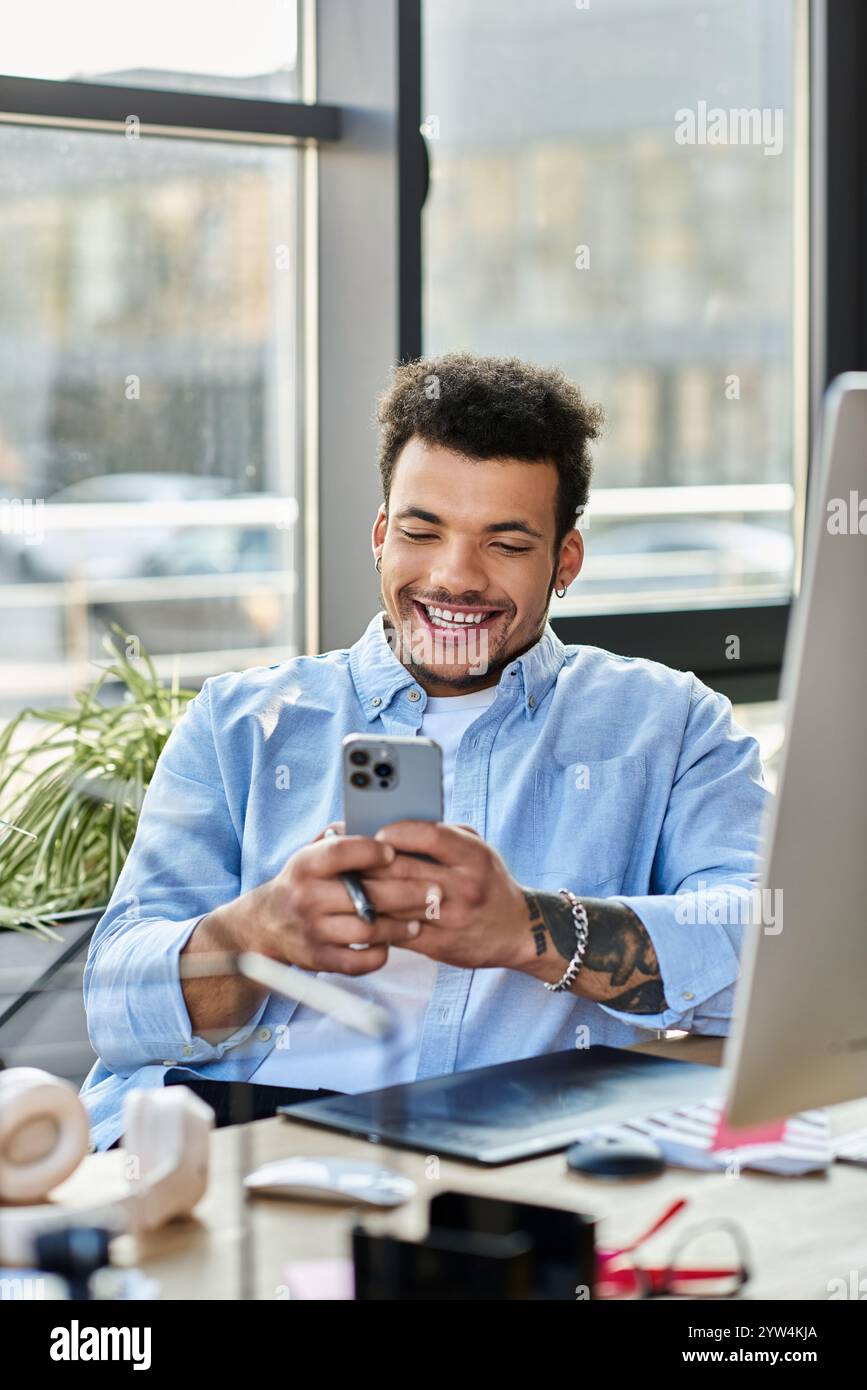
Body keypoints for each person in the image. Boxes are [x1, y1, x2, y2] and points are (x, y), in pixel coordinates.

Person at [80, 352, 772, 1151]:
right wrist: (258, 930)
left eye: (505, 544)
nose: (453, 577)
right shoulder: (239, 722)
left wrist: (527, 929)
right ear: (380, 536)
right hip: (240, 1137)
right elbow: (116, 1002)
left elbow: (772, 951)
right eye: (421, 532)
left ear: (565, 562)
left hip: (505, 1148)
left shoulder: (670, 723)